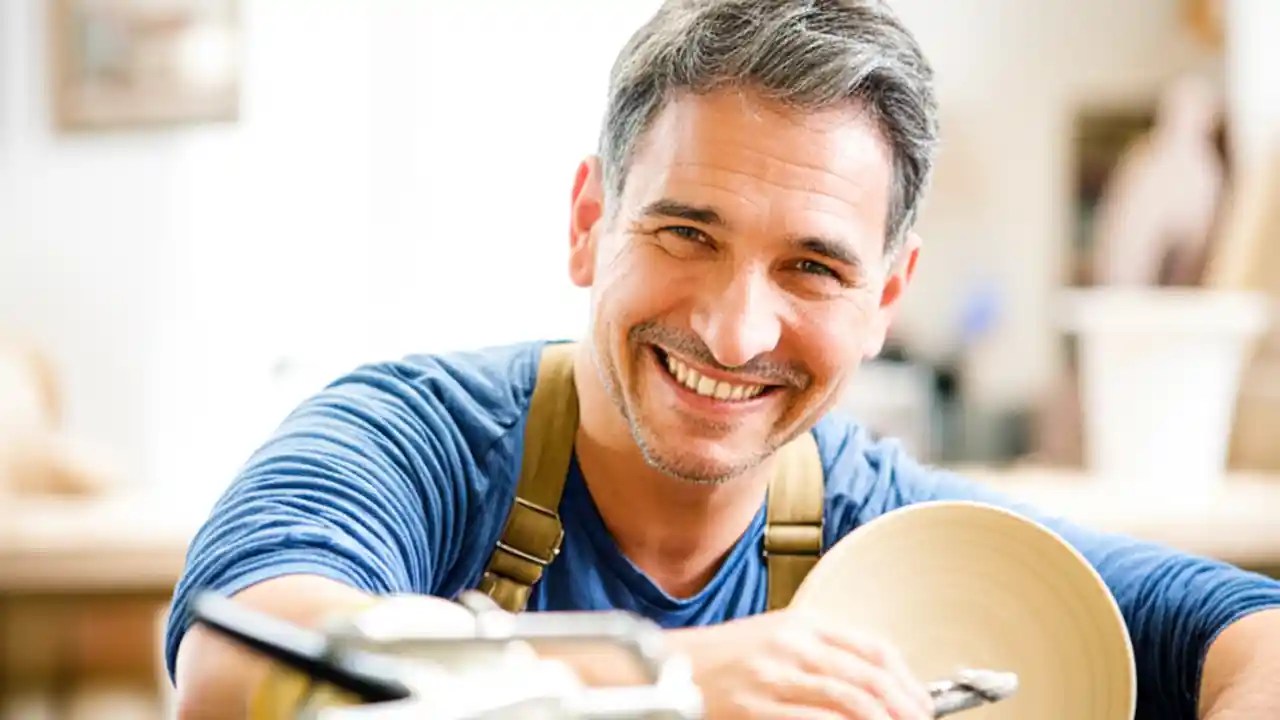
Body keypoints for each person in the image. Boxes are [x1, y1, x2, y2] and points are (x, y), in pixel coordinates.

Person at [166, 1, 1280, 718]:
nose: (735, 333)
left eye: (812, 269)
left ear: (885, 295)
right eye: (685, 234)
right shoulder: (414, 443)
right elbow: (236, 671)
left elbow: (1250, 638)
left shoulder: (879, 516)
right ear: (587, 219)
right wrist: (662, 677)